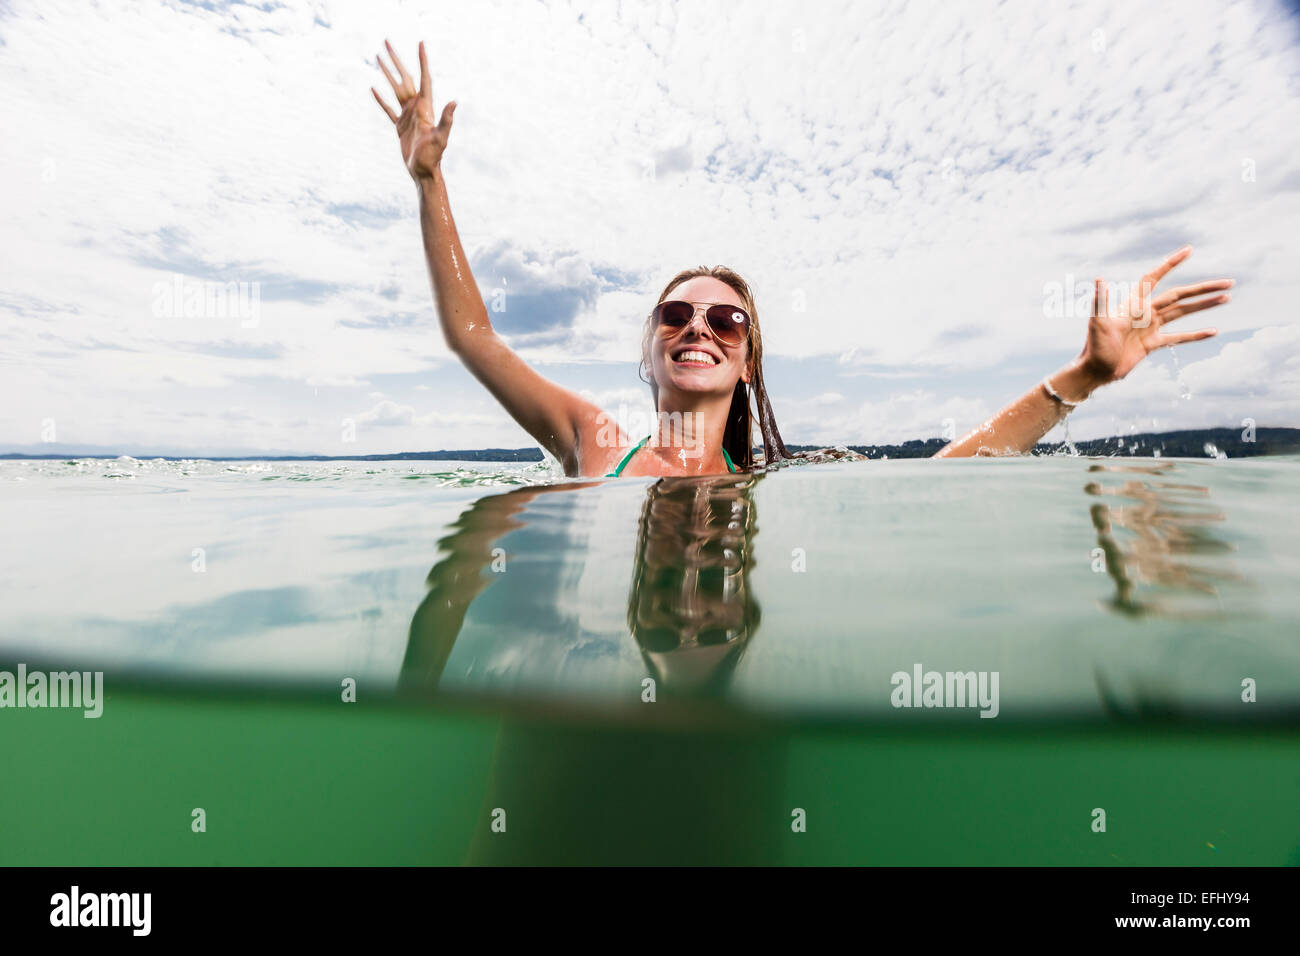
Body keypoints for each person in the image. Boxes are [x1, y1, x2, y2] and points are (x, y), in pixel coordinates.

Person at [372, 40, 1234, 474]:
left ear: (748, 362)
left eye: (727, 320)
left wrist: (1082, 375)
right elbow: (474, 337)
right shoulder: (600, 448)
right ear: (650, 347)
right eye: (677, 314)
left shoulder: (773, 487)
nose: (699, 327)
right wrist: (429, 182)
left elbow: (943, 479)